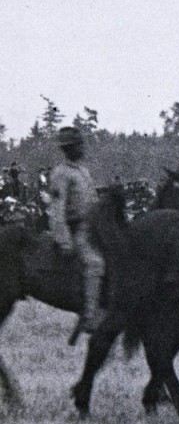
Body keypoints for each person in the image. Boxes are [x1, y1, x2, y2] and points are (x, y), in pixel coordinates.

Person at [47, 126, 106, 334]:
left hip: (93, 226)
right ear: (69, 148)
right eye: (78, 145)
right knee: (94, 263)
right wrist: (63, 240)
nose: (82, 148)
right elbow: (57, 209)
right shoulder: (61, 174)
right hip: (77, 229)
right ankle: (89, 317)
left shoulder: (83, 171)